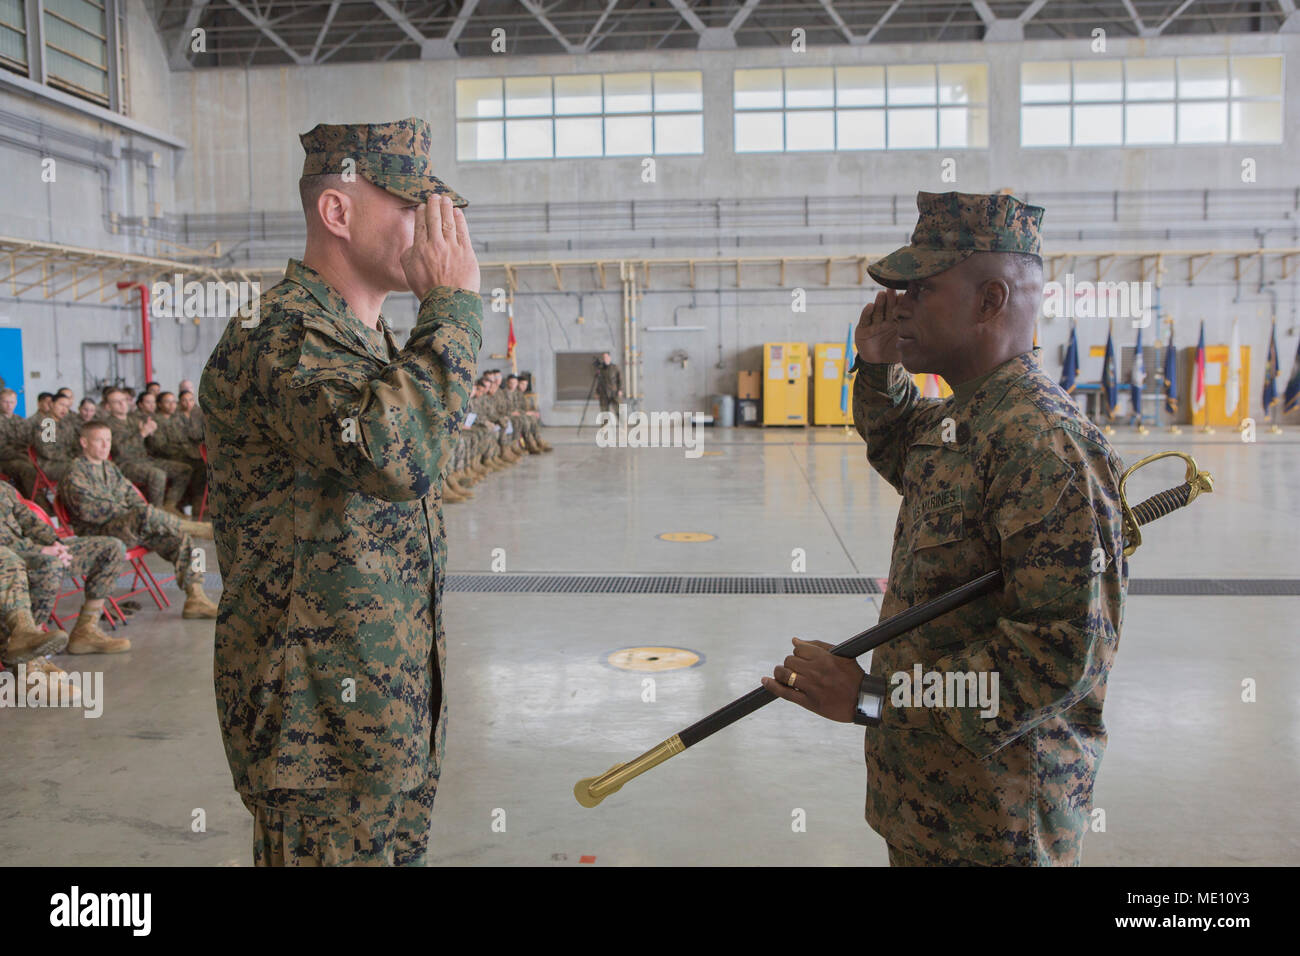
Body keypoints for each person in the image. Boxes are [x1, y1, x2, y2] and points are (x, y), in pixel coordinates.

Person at [761, 191, 1126, 867]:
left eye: (920, 289)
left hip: (998, 827)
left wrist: (874, 696)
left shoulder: (1042, 445)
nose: (901, 307)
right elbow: (901, 440)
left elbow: (1053, 660)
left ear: (990, 301)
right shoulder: (973, 419)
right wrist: (876, 364)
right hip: (934, 809)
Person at [200, 118, 482, 867]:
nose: (433, 230)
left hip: (381, 714)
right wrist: (452, 310)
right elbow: (398, 458)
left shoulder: (365, 341)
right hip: (317, 732)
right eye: (411, 207)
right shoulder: (282, 334)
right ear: (337, 212)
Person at [58, 420, 218, 621]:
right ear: (84, 442)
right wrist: (130, 514)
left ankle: (196, 597)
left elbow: (132, 496)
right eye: (99, 440)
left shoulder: (110, 468)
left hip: (129, 527)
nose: (105, 445)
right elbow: (89, 510)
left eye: (108, 440)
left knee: (179, 538)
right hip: (100, 534)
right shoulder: (75, 472)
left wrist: (134, 514)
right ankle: (199, 528)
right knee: (144, 514)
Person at [0, 479, 129, 659]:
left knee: (111, 548)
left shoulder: (3, 488)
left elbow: (30, 521)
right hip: (10, 561)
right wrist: (40, 550)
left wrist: (55, 544)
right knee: (49, 564)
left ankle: (86, 631)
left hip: (33, 553)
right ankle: (28, 652)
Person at [101, 388, 191, 511]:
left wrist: (152, 432)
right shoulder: (106, 425)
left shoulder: (134, 420)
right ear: (108, 406)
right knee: (157, 475)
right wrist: (142, 433)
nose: (122, 404)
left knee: (184, 470)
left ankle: (170, 505)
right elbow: (120, 450)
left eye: (124, 400)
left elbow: (152, 446)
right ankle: (156, 513)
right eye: (117, 402)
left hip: (145, 460)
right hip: (126, 464)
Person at [29, 393, 80, 484]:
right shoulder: (47, 423)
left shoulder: (67, 424)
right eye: (61, 405)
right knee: (78, 470)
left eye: (67, 407)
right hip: (50, 465)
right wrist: (71, 459)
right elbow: (48, 452)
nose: (64, 409)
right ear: (51, 404)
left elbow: (75, 445)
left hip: (67, 462)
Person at [0, 388, 38, 497]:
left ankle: (28, 498)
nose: (9, 405)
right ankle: (32, 501)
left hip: (22, 457)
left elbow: (29, 441)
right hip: (4, 461)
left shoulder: (21, 421)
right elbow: (2, 450)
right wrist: (21, 455)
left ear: (16, 403)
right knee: (28, 470)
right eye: (5, 402)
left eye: (11, 402)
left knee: (40, 466)